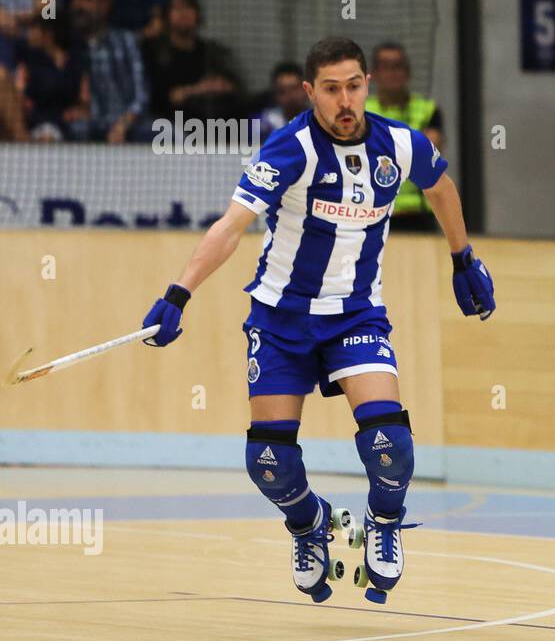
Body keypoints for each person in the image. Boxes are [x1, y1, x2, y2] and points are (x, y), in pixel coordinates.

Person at [139, 37, 495, 605]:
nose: (344, 100)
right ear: (310, 92)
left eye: (353, 86)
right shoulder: (290, 148)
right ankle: (309, 524)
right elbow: (230, 227)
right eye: (331, 89)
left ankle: (384, 520)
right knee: (269, 462)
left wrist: (463, 257)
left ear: (367, 85)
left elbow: (441, 189)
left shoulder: (401, 143)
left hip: (355, 315)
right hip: (280, 319)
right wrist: (178, 294)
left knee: (391, 444)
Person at [364, 42, 444, 232]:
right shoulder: (361, 111)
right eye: (385, 67)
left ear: (408, 72)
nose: (392, 73)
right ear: (373, 74)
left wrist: (378, 148)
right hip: (371, 212)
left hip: (417, 214)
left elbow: (427, 156)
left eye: (398, 66)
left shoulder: (427, 110)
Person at [67, 0, 151, 143]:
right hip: (89, 128)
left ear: (104, 5)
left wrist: (123, 124)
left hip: (129, 124)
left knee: (168, 134)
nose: (79, 6)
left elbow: (141, 95)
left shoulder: (126, 41)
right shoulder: (68, 48)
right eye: (75, 0)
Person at [141, 0, 243, 122]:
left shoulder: (210, 51)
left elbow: (232, 86)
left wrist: (220, 86)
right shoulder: (155, 52)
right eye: (176, 9)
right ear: (166, 16)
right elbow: (168, 97)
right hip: (172, 121)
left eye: (188, 7)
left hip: (217, 115)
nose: (183, 13)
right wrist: (197, 89)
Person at [15, 12, 86, 140]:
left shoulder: (75, 62)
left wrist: (80, 110)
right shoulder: (28, 62)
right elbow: (19, 96)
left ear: (48, 34)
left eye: (33, 29)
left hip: (68, 122)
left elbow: (84, 99)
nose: (29, 34)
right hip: (38, 122)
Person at [257, 61, 310, 138]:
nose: (290, 95)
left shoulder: (318, 121)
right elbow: (245, 142)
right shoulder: (264, 121)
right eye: (282, 91)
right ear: (275, 94)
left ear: (306, 89)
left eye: (295, 88)